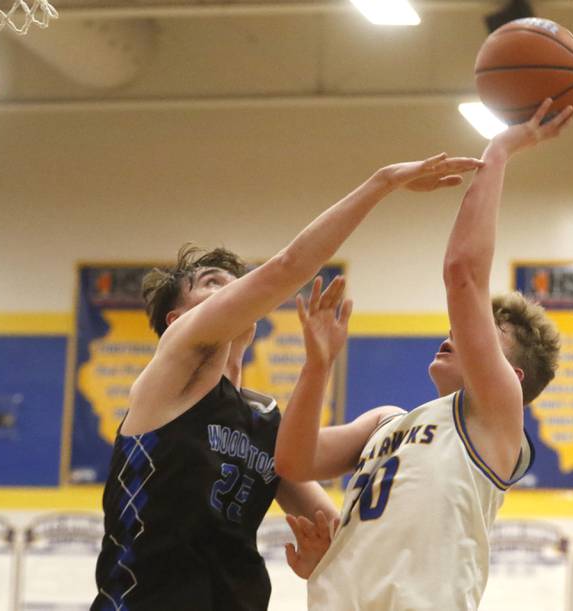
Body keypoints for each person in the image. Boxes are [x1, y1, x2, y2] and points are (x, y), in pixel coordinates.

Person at [90, 152, 484, 611]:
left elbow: (338, 531)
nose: (233, 290)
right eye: (213, 283)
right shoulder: (172, 374)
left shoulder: (262, 422)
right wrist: (383, 182)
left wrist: (328, 556)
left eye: (236, 284)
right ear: (177, 320)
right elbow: (288, 267)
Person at [274, 99, 573, 610]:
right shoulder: (385, 422)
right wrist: (318, 366)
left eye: (488, 333)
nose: (458, 332)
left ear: (512, 375)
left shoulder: (495, 419)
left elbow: (463, 274)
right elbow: (294, 461)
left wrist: (500, 150)